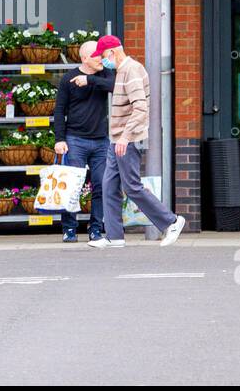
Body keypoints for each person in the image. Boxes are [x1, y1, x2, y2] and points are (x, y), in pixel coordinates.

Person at [86, 34, 186, 249]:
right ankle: (115, 236)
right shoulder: (122, 70)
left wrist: (125, 136)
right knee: (109, 185)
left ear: (112, 52)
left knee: (132, 186)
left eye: (103, 55)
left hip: (126, 139)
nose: (102, 61)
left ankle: (172, 221)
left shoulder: (131, 70)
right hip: (117, 139)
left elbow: (140, 107)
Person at [51, 40, 114, 242]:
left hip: (101, 141)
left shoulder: (104, 74)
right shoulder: (68, 79)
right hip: (75, 140)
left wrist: (90, 81)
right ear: (85, 58)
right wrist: (59, 139)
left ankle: (96, 228)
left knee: (101, 185)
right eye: (98, 55)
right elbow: (59, 111)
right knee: (72, 186)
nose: (102, 58)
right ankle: (69, 229)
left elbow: (115, 86)